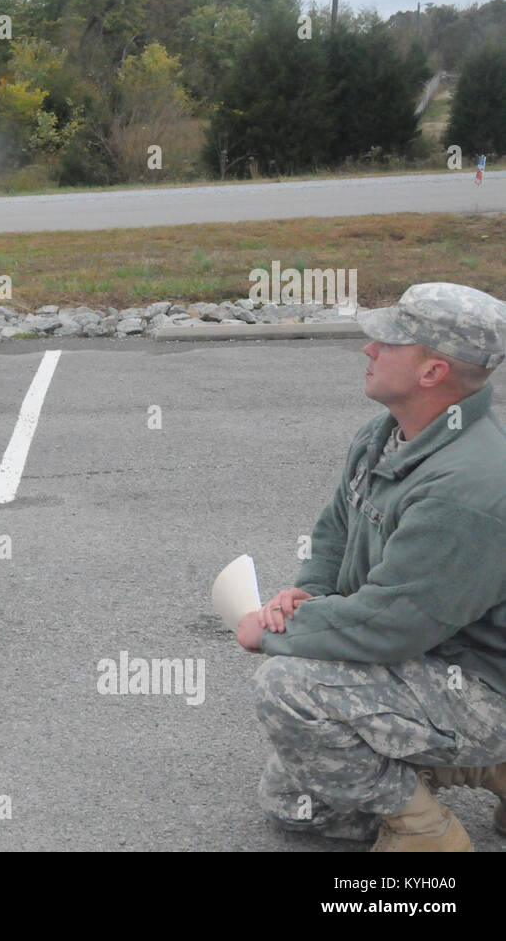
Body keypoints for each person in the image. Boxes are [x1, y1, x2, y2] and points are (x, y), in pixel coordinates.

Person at [236, 282, 506, 851]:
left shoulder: (468, 487)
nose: (368, 349)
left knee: (287, 687)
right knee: (299, 809)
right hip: (429, 656)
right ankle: (479, 770)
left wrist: (274, 632)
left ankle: (427, 833)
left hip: (485, 687)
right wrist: (307, 595)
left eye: (387, 342)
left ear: (432, 372)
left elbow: (392, 625)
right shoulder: (386, 435)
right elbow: (333, 529)